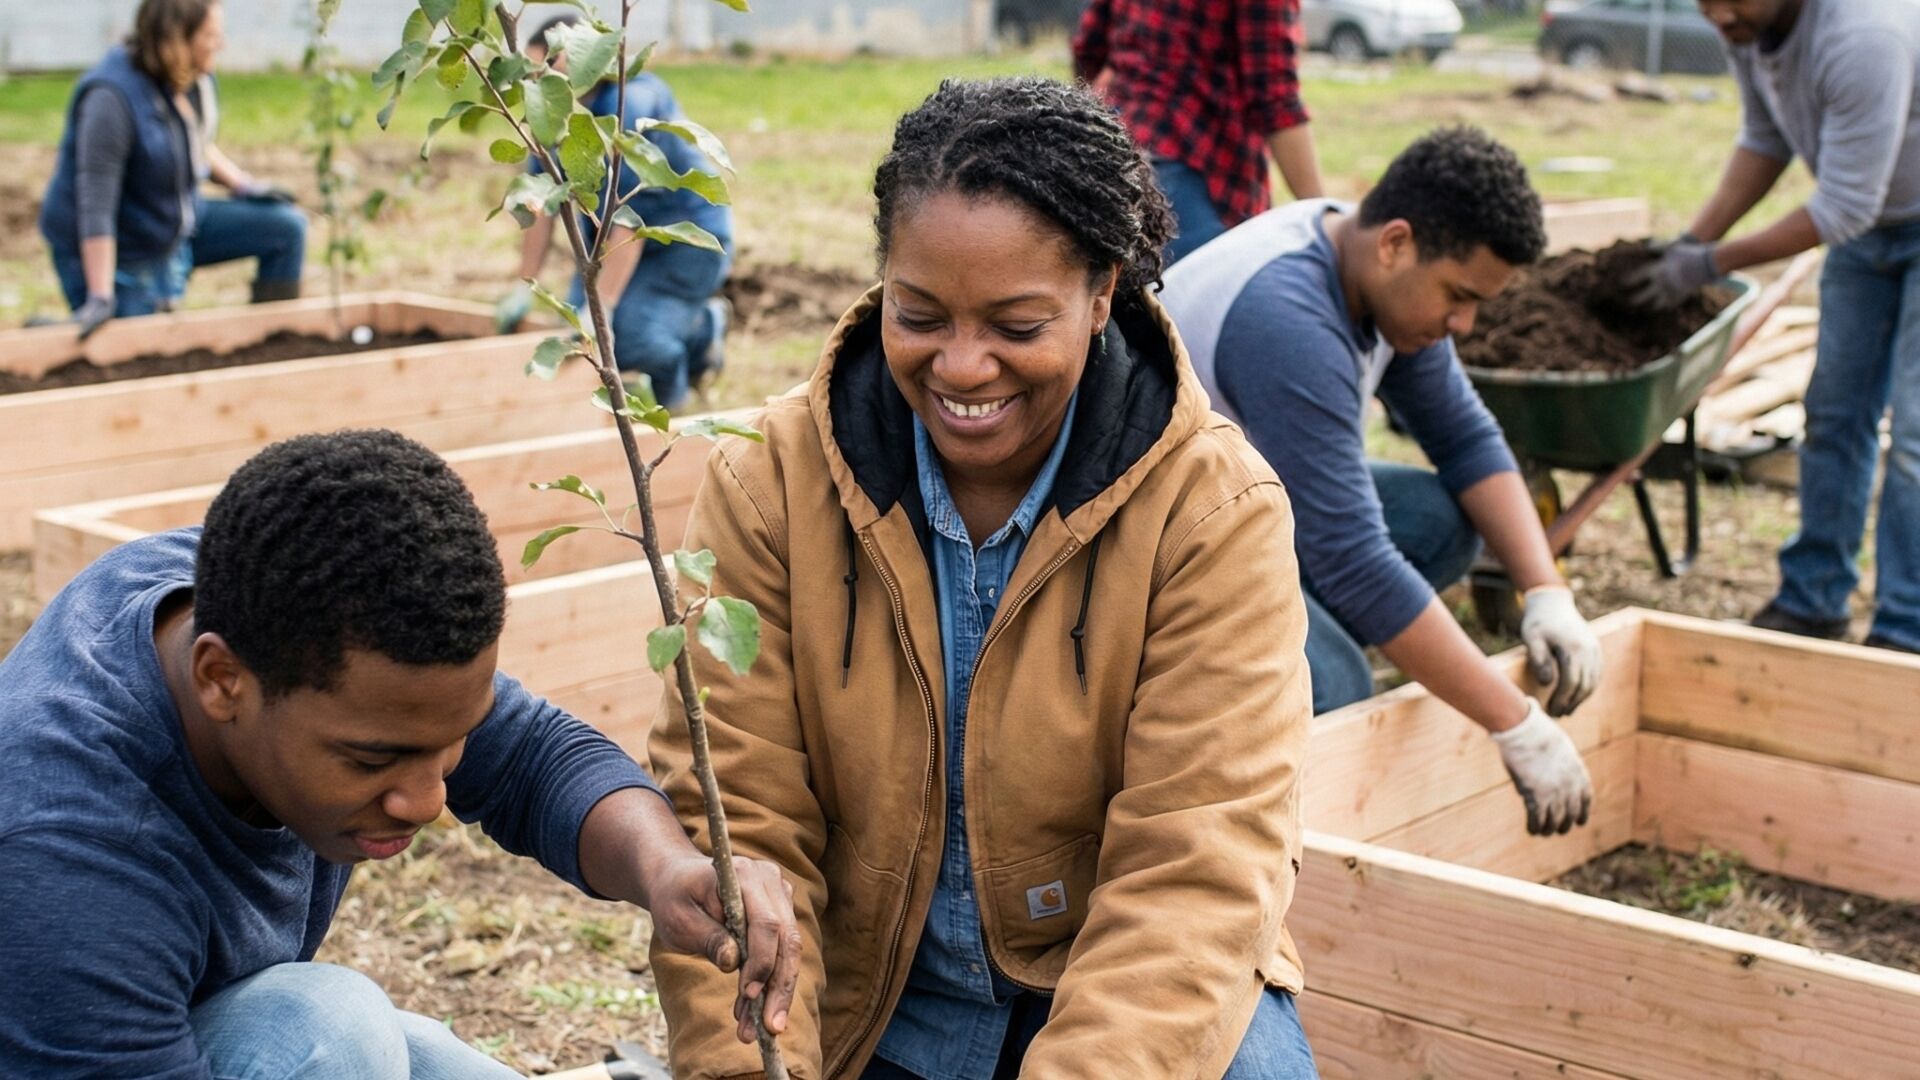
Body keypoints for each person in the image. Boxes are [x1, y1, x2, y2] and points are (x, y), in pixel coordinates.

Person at [648, 77, 1317, 1080]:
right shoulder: (770, 481)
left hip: (1107, 997)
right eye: (920, 316)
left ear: (1103, 297)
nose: (961, 368)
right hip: (876, 997)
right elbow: (736, 818)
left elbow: (1197, 870)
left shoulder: (1211, 513)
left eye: (1015, 327)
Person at [0, 430, 801, 1078]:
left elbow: (531, 757)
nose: (424, 801)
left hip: (192, 1020)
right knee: (325, 1029)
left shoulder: (280, 598)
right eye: (373, 759)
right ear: (222, 681)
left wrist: (667, 870)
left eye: (448, 744)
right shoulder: (69, 854)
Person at [1159, 127, 1602, 838]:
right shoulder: (1290, 320)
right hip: (1158, 542)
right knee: (1334, 685)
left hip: (1241, 499)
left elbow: (1465, 439)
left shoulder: (1372, 269)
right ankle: (1210, 685)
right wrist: (1514, 721)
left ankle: (1303, 627)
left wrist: (1546, 590)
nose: (1465, 324)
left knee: (1441, 518)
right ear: (1396, 242)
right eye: (1459, 297)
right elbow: (1356, 561)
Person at [1631, 0, 1920, 654]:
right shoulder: (1750, 26)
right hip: (1870, 229)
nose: (1717, 15)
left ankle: (1906, 630)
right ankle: (1813, 600)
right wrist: (1689, 242)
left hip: (1880, 214)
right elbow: (1766, 141)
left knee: (1915, 438)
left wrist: (1710, 263)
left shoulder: (1863, 34)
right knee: (1835, 413)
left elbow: (1842, 206)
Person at [495, 13, 734, 410]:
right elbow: (541, 203)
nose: (536, 85)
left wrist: (602, 308)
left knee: (629, 338)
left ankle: (683, 376)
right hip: (612, 245)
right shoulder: (550, 115)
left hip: (682, 242)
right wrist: (526, 282)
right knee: (578, 334)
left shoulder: (630, 106)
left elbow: (626, 220)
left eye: (546, 70)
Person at [37, 0, 307, 340]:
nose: (220, 44)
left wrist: (243, 185)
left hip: (172, 220)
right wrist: (101, 296)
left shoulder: (188, 79)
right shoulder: (111, 99)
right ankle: (54, 334)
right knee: (137, 351)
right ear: (178, 39)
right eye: (210, 35)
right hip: (122, 246)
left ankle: (275, 345)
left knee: (286, 228)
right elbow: (96, 206)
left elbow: (193, 142)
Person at [1072, 0, 1324, 265]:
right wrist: (1324, 222)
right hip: (1198, 181)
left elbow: (1089, 45)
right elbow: (1274, 98)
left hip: (1111, 162)